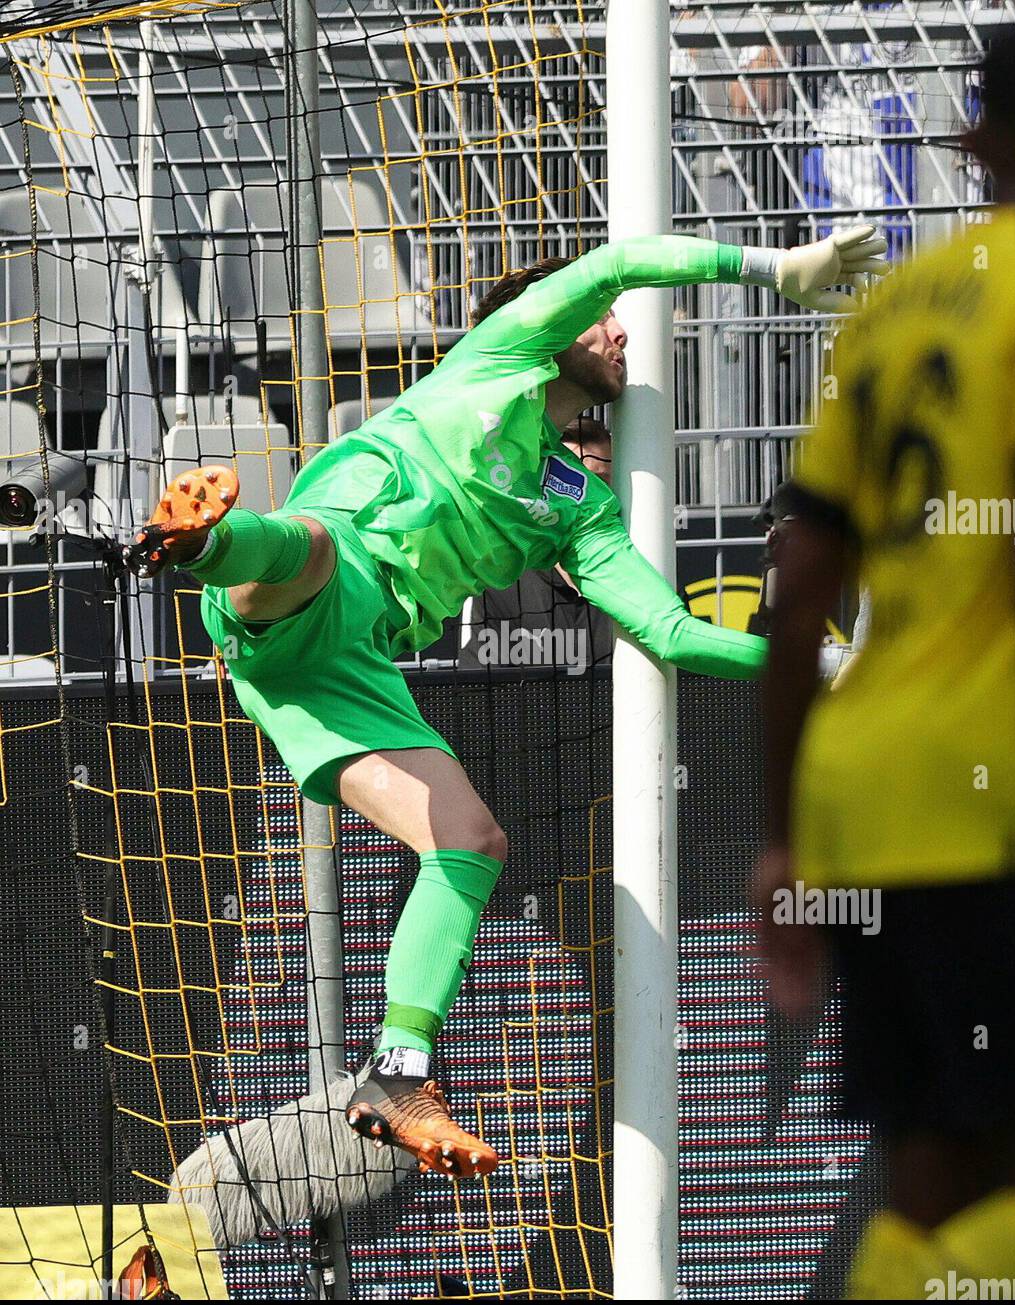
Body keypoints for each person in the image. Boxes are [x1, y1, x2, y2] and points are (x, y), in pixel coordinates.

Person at [125, 225, 887, 1180]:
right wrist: (773, 266)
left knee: (471, 843)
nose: (620, 333)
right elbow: (617, 261)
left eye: (620, 325)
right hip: (329, 567)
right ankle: (201, 541)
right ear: (548, 324)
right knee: (313, 549)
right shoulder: (495, 354)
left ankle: (396, 1072)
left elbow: (672, 633)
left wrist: (829, 668)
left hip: (350, 665)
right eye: (604, 324)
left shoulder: (574, 501)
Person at [753, 22, 1015, 1298]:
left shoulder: (885, 311)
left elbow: (795, 591)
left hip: (865, 798)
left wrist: (776, 837)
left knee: (931, 1186)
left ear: (975, 140)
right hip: (1002, 792)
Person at [457, 417, 614, 672]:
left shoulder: (644, 575)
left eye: (601, 482)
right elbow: (477, 697)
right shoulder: (500, 579)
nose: (585, 499)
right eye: (568, 483)